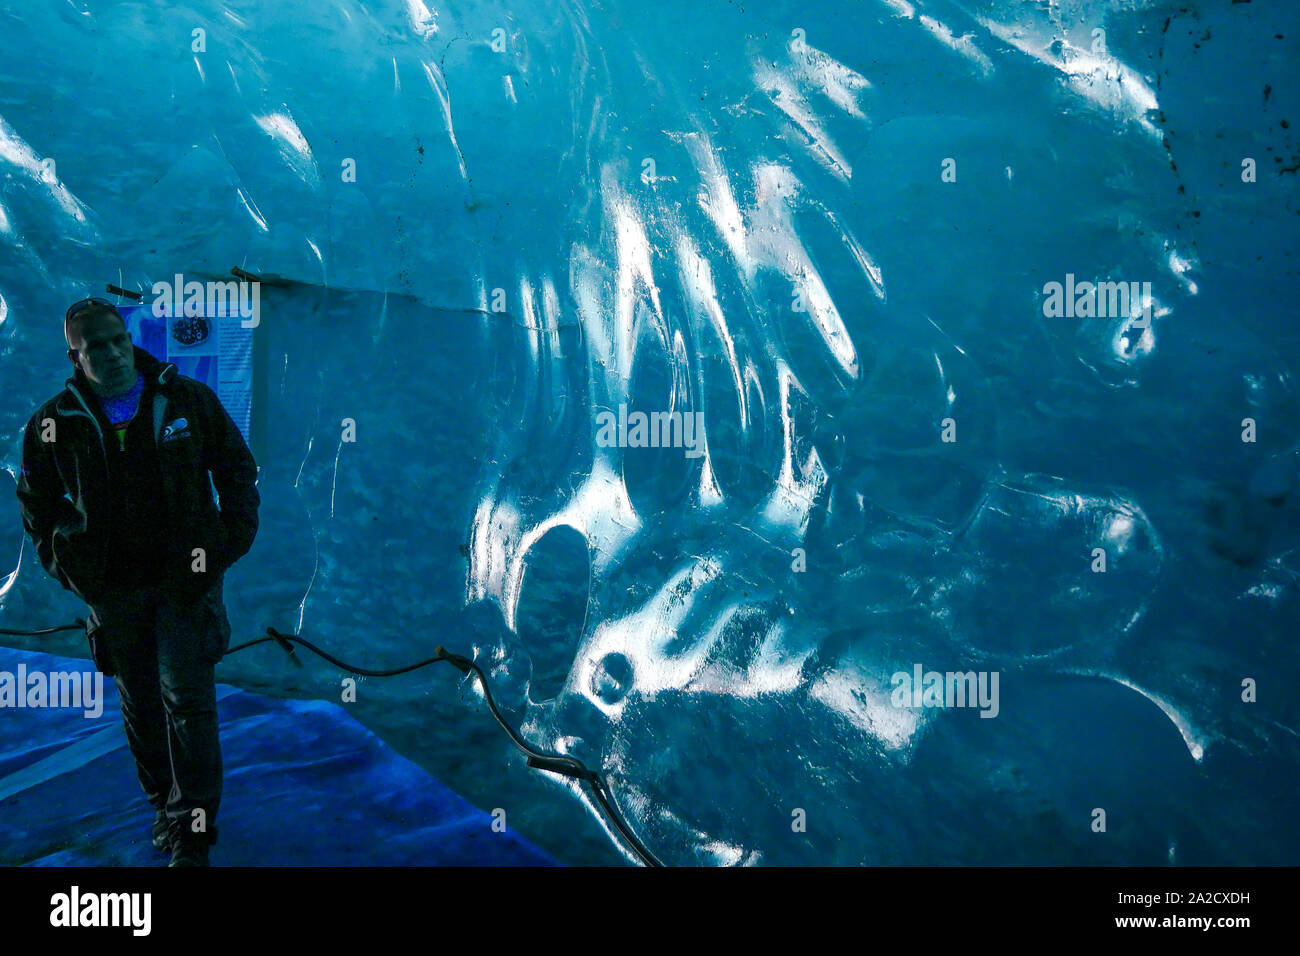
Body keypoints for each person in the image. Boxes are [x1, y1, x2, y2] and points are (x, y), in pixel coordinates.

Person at [15, 297, 259, 866]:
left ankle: (193, 834)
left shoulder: (184, 399)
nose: (112, 353)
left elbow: (237, 470)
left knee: (187, 701)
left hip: (185, 584)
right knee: (142, 704)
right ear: (74, 356)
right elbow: (36, 502)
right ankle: (165, 811)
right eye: (95, 345)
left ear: (130, 341)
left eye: (117, 340)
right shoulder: (54, 422)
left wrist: (223, 546)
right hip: (114, 591)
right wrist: (70, 567)